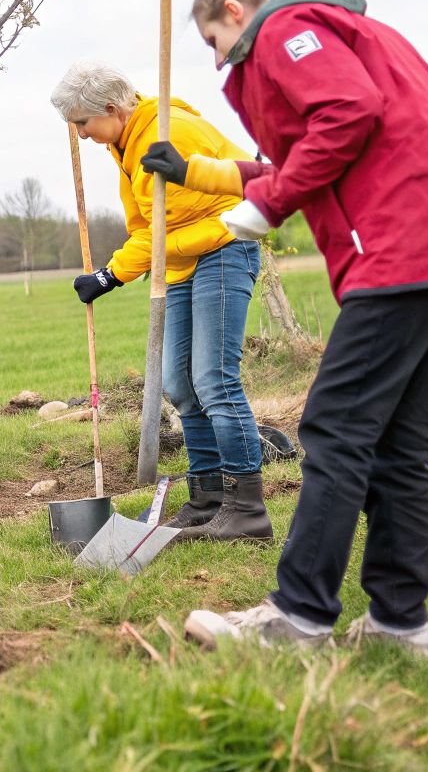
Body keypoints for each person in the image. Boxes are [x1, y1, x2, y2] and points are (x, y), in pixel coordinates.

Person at [168, 0, 428, 659]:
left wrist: (275, 201)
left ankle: (296, 617)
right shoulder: (364, 29)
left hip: (401, 254)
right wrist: (407, 188)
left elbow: (346, 111)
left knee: (334, 428)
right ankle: (400, 626)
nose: (219, 64)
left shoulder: (285, 31)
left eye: (214, 44)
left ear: (234, 14)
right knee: (398, 445)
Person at [51, 62, 270, 541]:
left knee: (214, 380)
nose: (81, 135)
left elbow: (170, 224)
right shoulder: (124, 144)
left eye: (83, 123)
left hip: (222, 251)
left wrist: (112, 274)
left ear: (110, 109)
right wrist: (110, 274)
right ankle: (208, 496)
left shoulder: (169, 133)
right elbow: (147, 231)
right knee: (179, 384)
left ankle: (246, 507)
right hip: (181, 262)